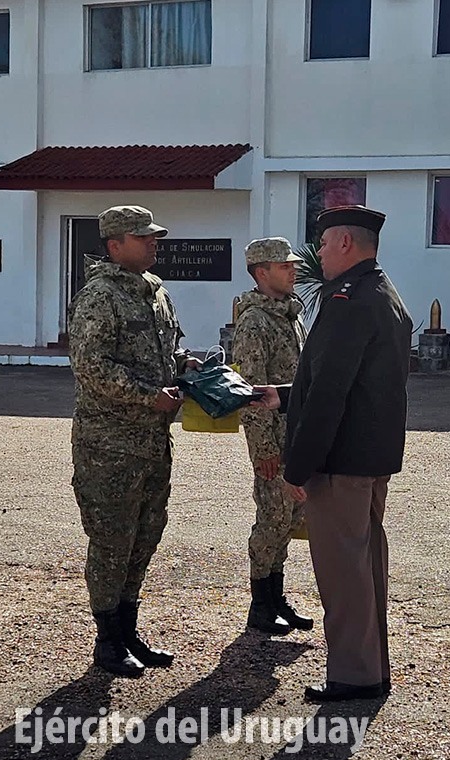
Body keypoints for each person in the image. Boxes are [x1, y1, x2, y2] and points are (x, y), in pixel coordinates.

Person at [253, 205, 413, 703]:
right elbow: (346, 381)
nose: (316, 253)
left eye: (323, 243)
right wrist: (283, 391)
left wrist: (299, 465)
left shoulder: (347, 301)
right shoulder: (381, 292)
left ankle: (354, 677)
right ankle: (370, 668)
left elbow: (330, 392)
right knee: (366, 569)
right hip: (369, 458)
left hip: (340, 462)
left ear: (345, 243)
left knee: (344, 574)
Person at [67, 205, 200, 678]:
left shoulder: (155, 293)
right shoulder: (100, 297)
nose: (153, 244)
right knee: (111, 540)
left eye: (154, 237)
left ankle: (128, 630)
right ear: (115, 244)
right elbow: (91, 365)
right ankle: (107, 643)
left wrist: (187, 365)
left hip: (152, 441)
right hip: (110, 445)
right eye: (143, 238)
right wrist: (149, 396)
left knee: (144, 537)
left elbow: (166, 349)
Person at [232, 236, 313, 636]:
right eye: (284, 266)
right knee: (271, 519)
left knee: (288, 518)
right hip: (273, 441)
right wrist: (263, 448)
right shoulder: (254, 322)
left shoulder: (289, 315)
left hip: (296, 434)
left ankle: (276, 598)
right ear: (261, 272)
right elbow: (249, 390)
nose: (293, 270)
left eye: (292, 265)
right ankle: (261, 605)